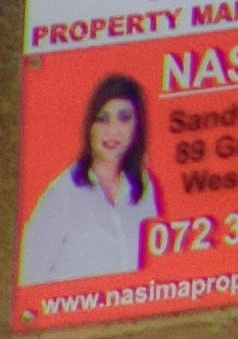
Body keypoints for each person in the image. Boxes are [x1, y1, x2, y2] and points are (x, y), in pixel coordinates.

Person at [20, 74, 160, 286]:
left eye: (124, 118)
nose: (113, 131)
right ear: (90, 127)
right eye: (102, 119)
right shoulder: (62, 195)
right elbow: (29, 280)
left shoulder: (144, 186)